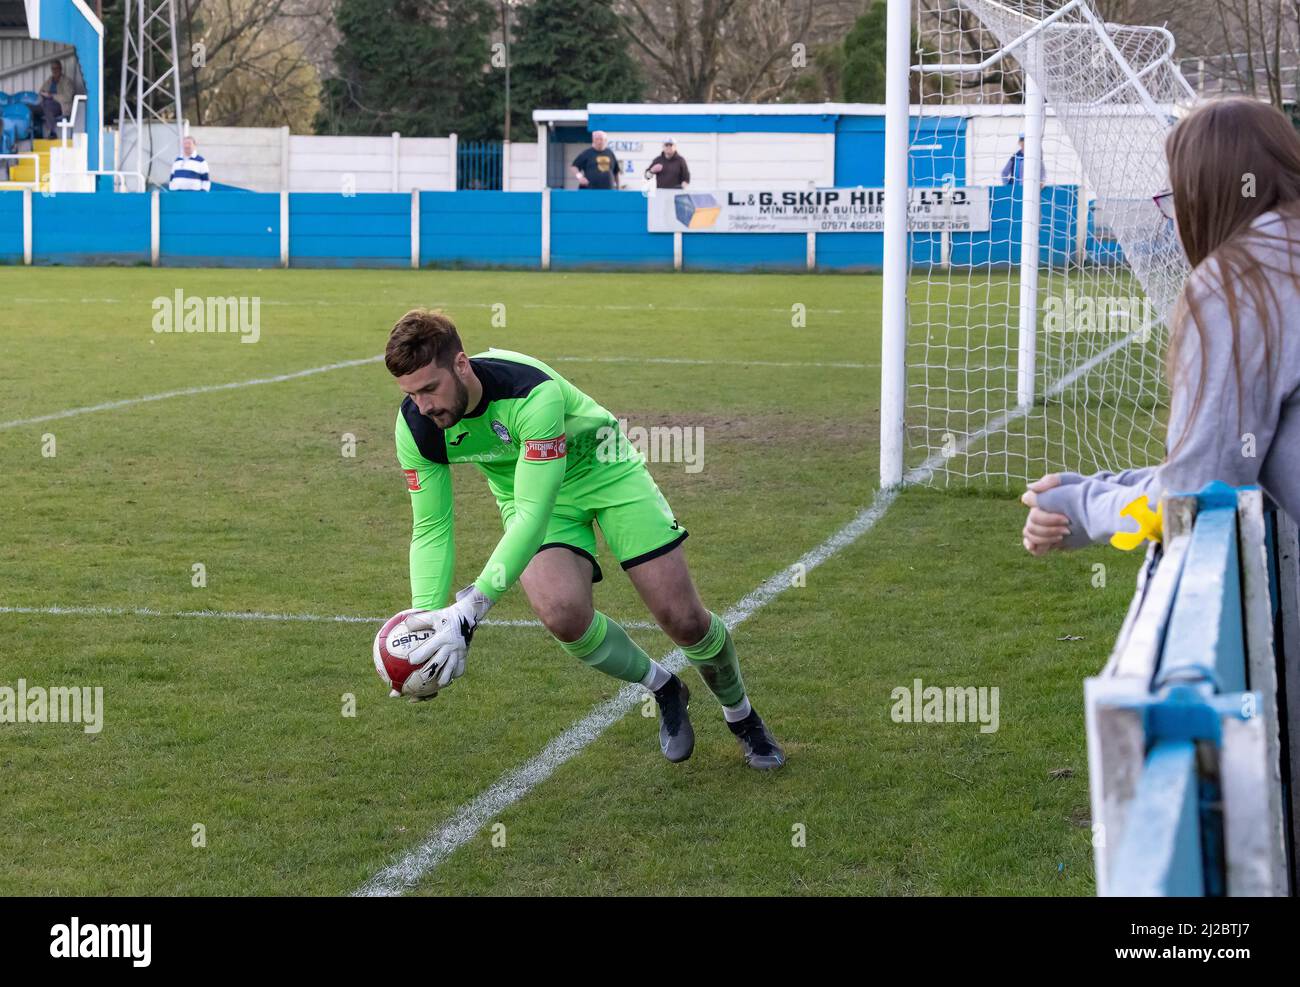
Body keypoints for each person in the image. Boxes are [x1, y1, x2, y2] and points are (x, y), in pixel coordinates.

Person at [383, 310, 785, 770]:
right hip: (528, 490)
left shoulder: (530, 394)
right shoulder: (415, 427)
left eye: (429, 389)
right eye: (411, 394)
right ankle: (665, 687)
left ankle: (742, 716)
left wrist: (471, 608)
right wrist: (426, 625)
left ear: (461, 365)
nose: (424, 405)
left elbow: (532, 516)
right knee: (562, 613)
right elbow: (432, 526)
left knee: (682, 618)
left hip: (605, 470)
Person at [1021, 97, 1300, 555]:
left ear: (1204, 196)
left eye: (1176, 199)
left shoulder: (1240, 282)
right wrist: (1107, 486)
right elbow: (1241, 455)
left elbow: (1196, 493)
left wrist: (1085, 505)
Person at [36, 60, 76, 140]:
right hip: (46, 104)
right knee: (32, 109)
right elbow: (41, 92)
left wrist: (52, 96)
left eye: (56, 68)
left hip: (60, 106)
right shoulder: (49, 81)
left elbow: (68, 97)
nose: (54, 70)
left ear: (61, 69)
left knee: (47, 105)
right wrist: (43, 95)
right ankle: (37, 133)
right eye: (53, 69)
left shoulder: (67, 81)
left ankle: (52, 132)